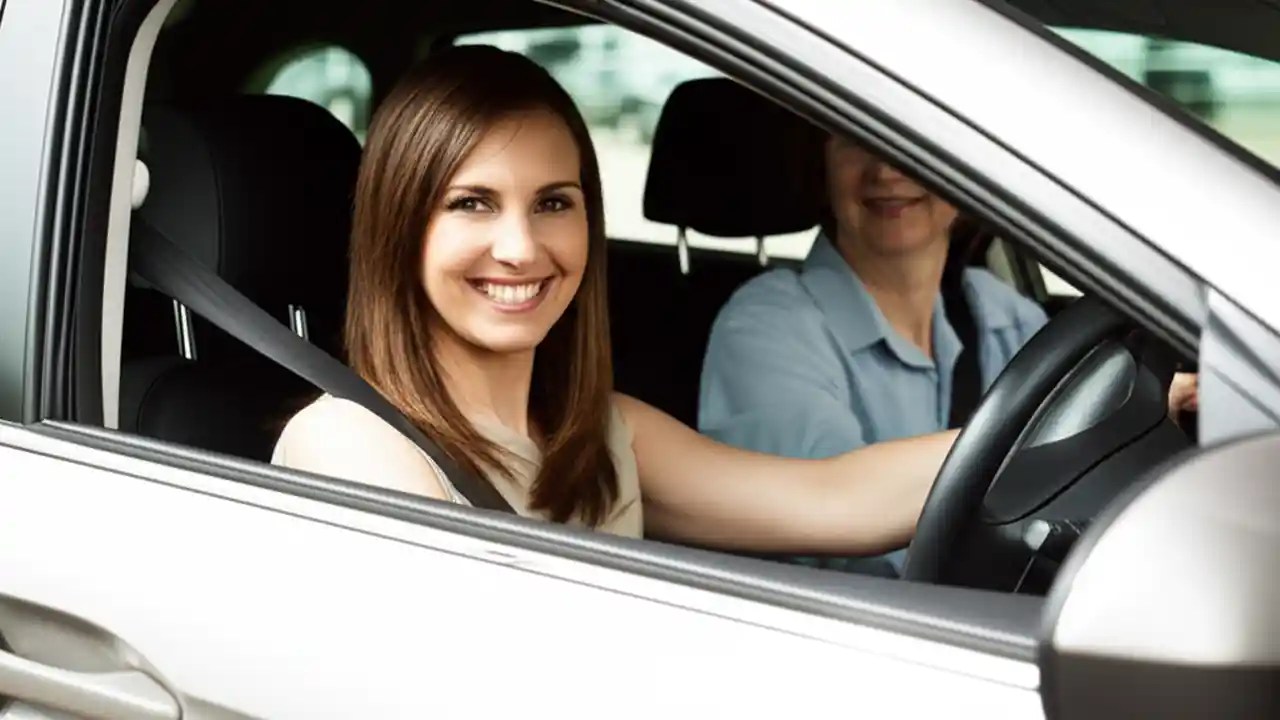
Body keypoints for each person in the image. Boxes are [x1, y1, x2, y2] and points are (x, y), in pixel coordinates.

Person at [271, 45, 957, 559]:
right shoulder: (349, 444)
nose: (520, 248)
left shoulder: (603, 433)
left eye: (553, 204)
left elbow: (834, 498)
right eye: (472, 203)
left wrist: (1019, 440)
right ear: (400, 228)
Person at [698, 133, 1198, 573]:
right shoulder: (766, 326)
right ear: (820, 167)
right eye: (855, 138)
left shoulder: (1004, 312)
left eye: (910, 137)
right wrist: (1103, 422)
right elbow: (833, 537)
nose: (886, 170)